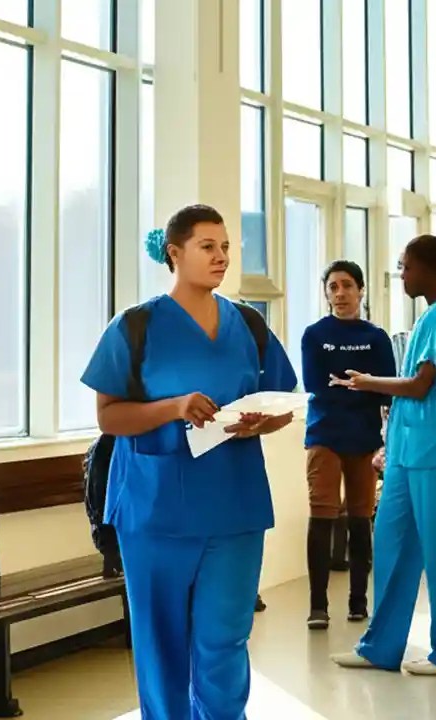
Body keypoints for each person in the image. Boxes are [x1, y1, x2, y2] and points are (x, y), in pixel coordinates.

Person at [81, 204, 298, 720]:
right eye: (208, 247)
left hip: (235, 509)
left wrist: (260, 421)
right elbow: (109, 417)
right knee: (162, 647)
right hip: (156, 511)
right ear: (175, 254)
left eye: (225, 247)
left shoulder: (248, 323)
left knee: (225, 641)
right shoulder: (134, 327)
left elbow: (282, 404)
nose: (221, 257)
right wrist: (174, 407)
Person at [329, 234, 436, 676]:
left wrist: (367, 381)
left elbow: (419, 385)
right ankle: (381, 646)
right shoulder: (430, 317)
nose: (401, 274)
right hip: (406, 452)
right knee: (391, 546)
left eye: (405, 266)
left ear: (429, 268)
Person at [300, 260, 396, 630]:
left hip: (364, 438)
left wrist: (358, 384)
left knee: (360, 518)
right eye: (333, 287)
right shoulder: (313, 334)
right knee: (321, 513)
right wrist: (361, 384)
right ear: (326, 293)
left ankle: (359, 601)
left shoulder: (376, 337)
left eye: (347, 286)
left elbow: (387, 387)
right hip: (324, 434)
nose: (340, 293)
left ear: (360, 291)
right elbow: (314, 382)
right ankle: (318, 605)